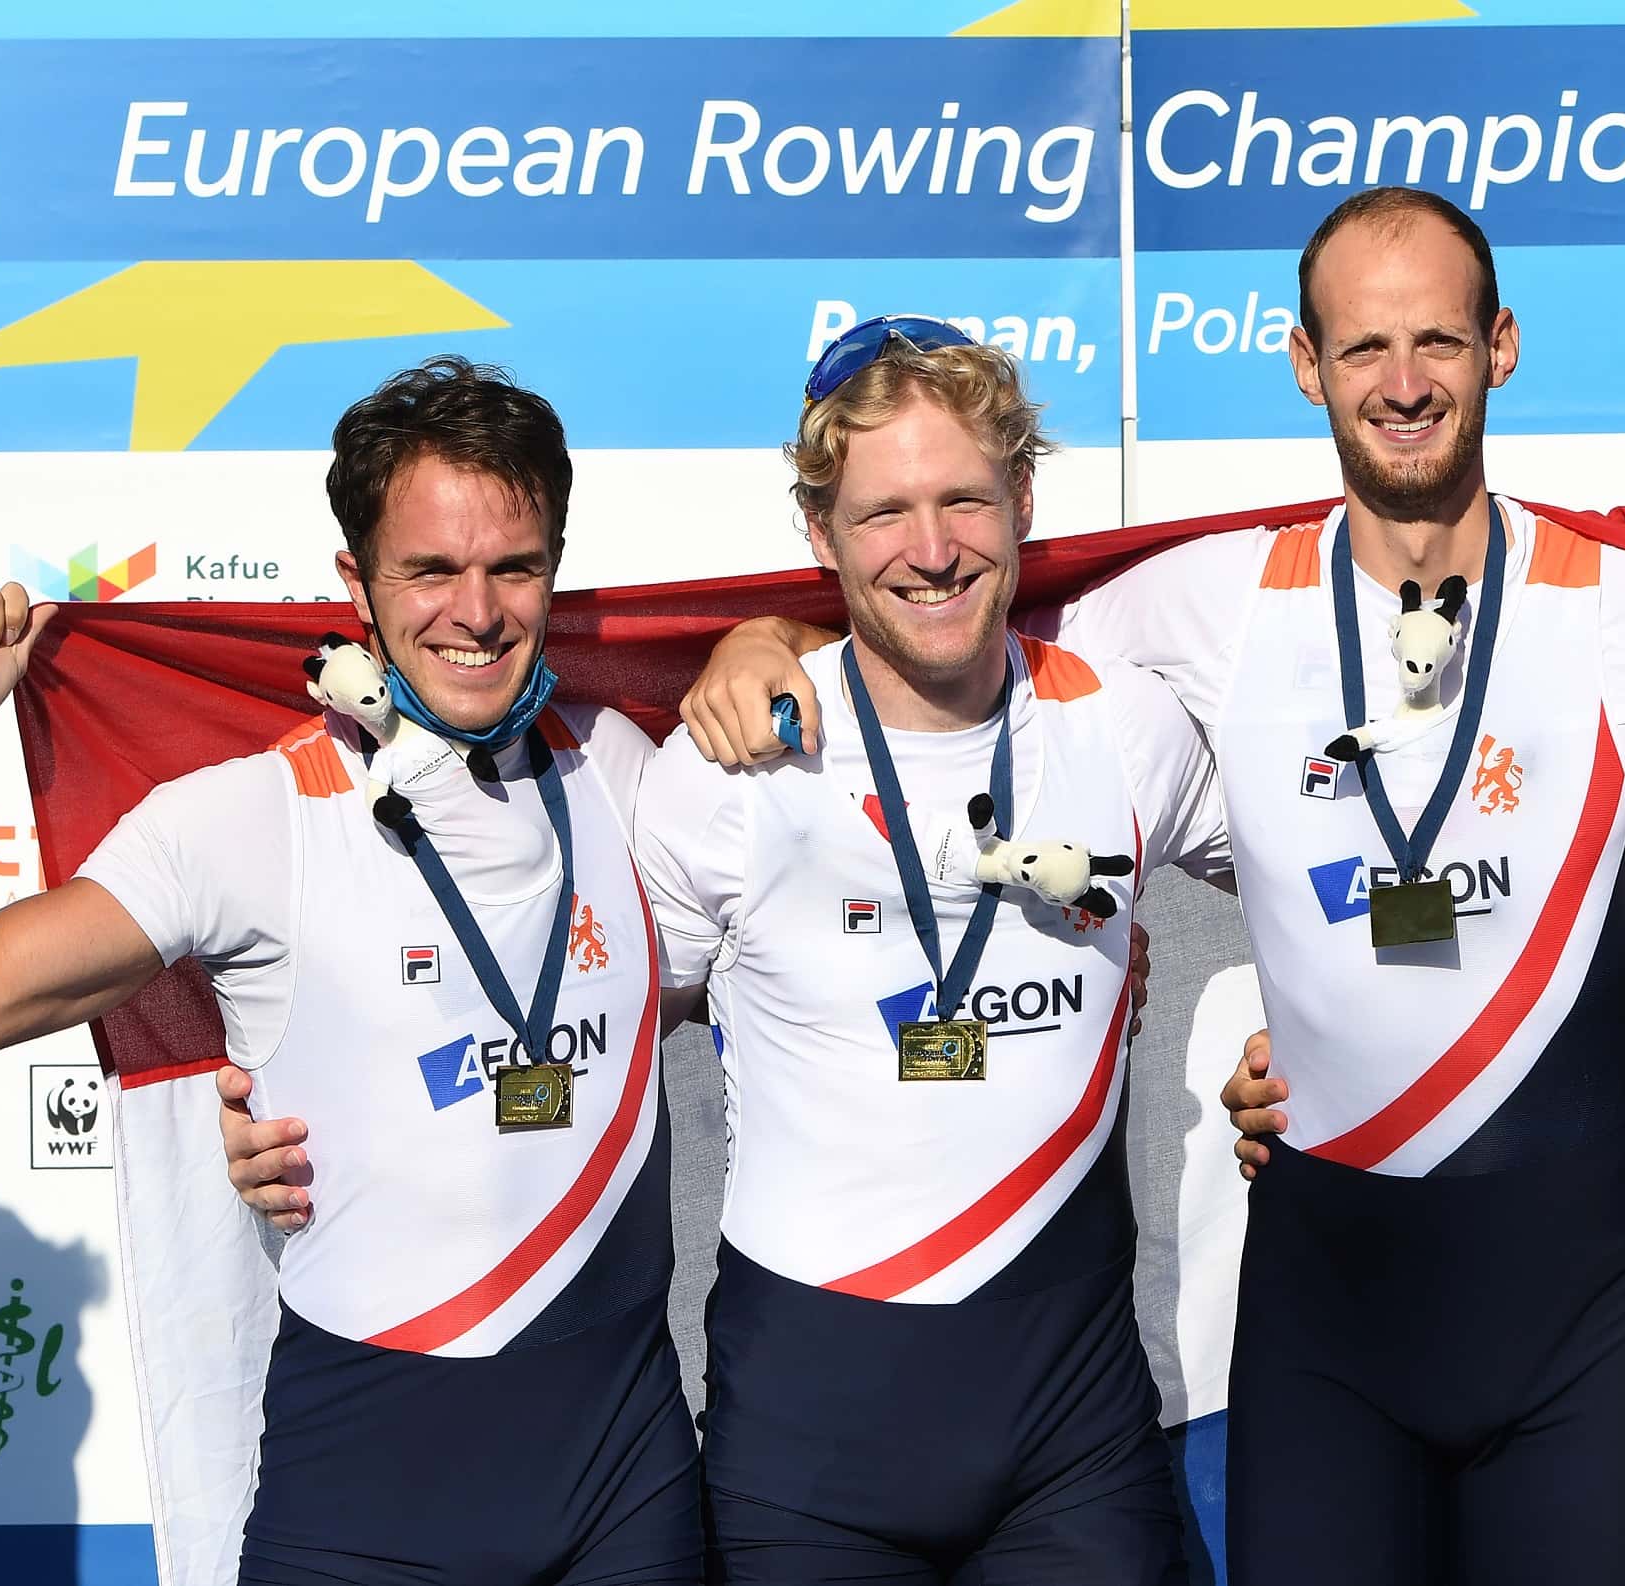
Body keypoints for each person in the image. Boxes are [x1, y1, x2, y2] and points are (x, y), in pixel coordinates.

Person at [681, 189, 1625, 1585]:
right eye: (1363, 350)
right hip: (1325, 1329)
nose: (1403, 385)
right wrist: (763, 634)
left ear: (1502, 346)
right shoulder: (1205, 607)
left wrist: (1591, 1007)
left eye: (1438, 343)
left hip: (1576, 1325)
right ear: (1302, 362)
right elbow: (950, 623)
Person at [229, 322, 1231, 1583]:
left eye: (964, 498)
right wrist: (302, 1101)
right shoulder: (732, 766)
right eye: (884, 512)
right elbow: (549, 1004)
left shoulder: (1126, 726)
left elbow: (1335, 894)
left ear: (1023, 494)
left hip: (1074, 1455)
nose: (931, 549)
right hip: (807, 1474)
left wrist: (1295, 1055)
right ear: (820, 531)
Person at [0, 358, 705, 1586]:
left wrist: (773, 641)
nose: (477, 610)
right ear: (356, 583)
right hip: (363, 1510)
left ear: (554, 568)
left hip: (630, 1507)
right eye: (429, 569)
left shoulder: (627, 775)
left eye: (514, 565)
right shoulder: (246, 819)